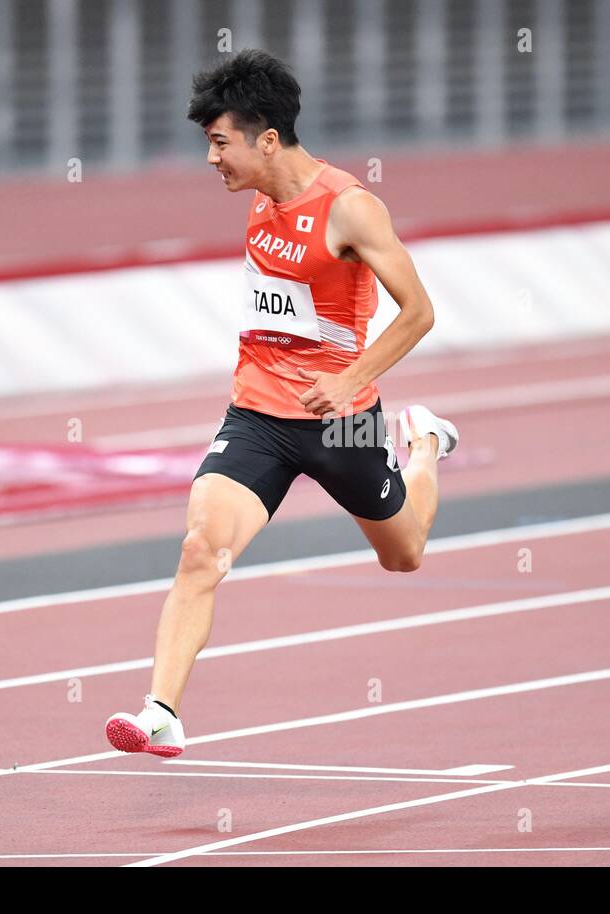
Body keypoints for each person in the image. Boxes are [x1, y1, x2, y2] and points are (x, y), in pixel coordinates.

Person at [105, 49, 458, 758]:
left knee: (405, 555)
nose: (210, 159)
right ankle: (161, 710)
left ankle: (423, 444)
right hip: (258, 417)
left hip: (344, 421)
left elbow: (418, 312)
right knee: (201, 548)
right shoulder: (260, 199)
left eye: (219, 141)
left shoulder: (351, 207)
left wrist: (350, 376)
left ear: (267, 137)